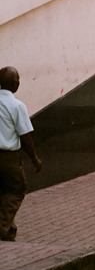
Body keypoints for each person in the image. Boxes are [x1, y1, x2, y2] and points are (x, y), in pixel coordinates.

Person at [0, 66, 42, 242]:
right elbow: (25, 137)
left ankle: (9, 229)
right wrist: (34, 159)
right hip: (7, 157)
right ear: (14, 84)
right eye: (18, 80)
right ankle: (2, 227)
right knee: (17, 189)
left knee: (3, 191)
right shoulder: (16, 105)